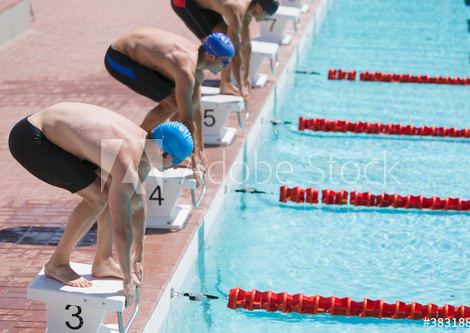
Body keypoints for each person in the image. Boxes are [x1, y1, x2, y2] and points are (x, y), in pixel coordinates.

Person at [8, 102, 193, 307]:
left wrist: (139, 254)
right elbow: (121, 229)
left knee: (113, 187)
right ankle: (57, 263)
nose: (174, 167)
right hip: (31, 139)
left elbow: (138, 204)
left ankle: (103, 261)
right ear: (161, 150)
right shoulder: (126, 159)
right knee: (99, 198)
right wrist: (127, 278)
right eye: (175, 161)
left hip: (51, 129)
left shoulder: (145, 145)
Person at [104, 28, 234, 181]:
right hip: (119, 57)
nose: (225, 68)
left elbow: (197, 108)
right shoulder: (186, 70)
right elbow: (187, 120)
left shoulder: (198, 68)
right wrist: (193, 161)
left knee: (180, 101)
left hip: (136, 51)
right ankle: (134, 147)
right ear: (211, 56)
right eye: (225, 63)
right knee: (172, 104)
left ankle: (162, 150)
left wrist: (201, 150)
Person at [172, 0, 279, 102]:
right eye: (268, 15)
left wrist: (247, 75)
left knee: (224, 38)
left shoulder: (247, 12)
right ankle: (187, 88)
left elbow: (246, 44)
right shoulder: (236, 12)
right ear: (259, 7)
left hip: (203, 5)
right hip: (184, 2)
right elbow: (235, 54)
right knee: (211, 49)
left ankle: (226, 84)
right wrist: (241, 86)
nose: (266, 20)